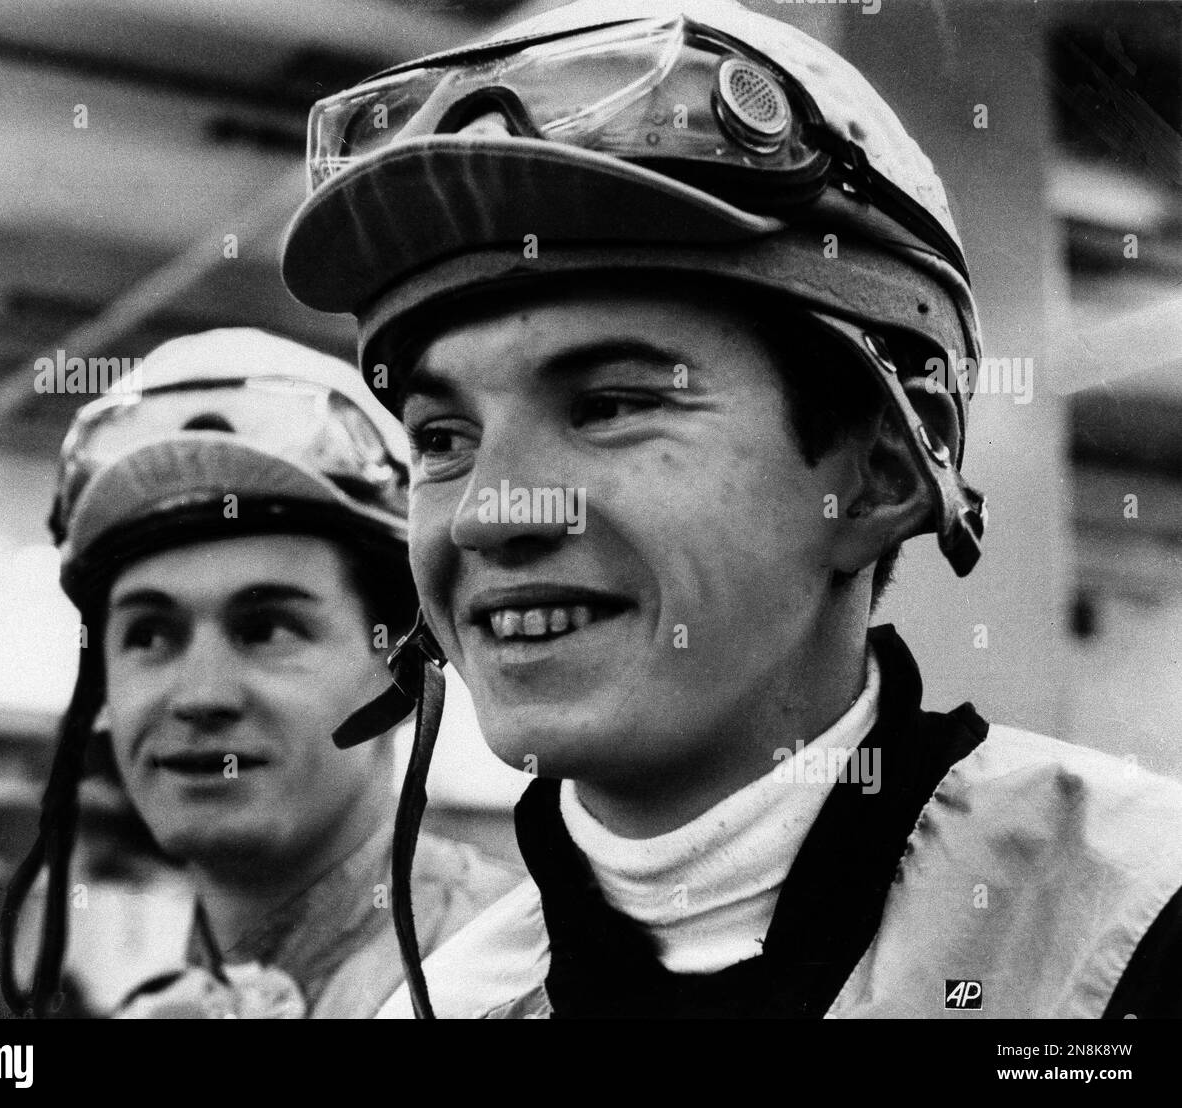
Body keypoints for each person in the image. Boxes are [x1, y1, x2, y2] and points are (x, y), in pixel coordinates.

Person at [279, 0, 1182, 1019]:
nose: (489, 512)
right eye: (442, 440)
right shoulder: (444, 1004)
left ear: (882, 473)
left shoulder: (1136, 925)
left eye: (610, 404)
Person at [0, 328, 518, 1019]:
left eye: (266, 628)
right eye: (149, 634)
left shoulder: (530, 980)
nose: (199, 696)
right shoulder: (170, 1007)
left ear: (403, 662)